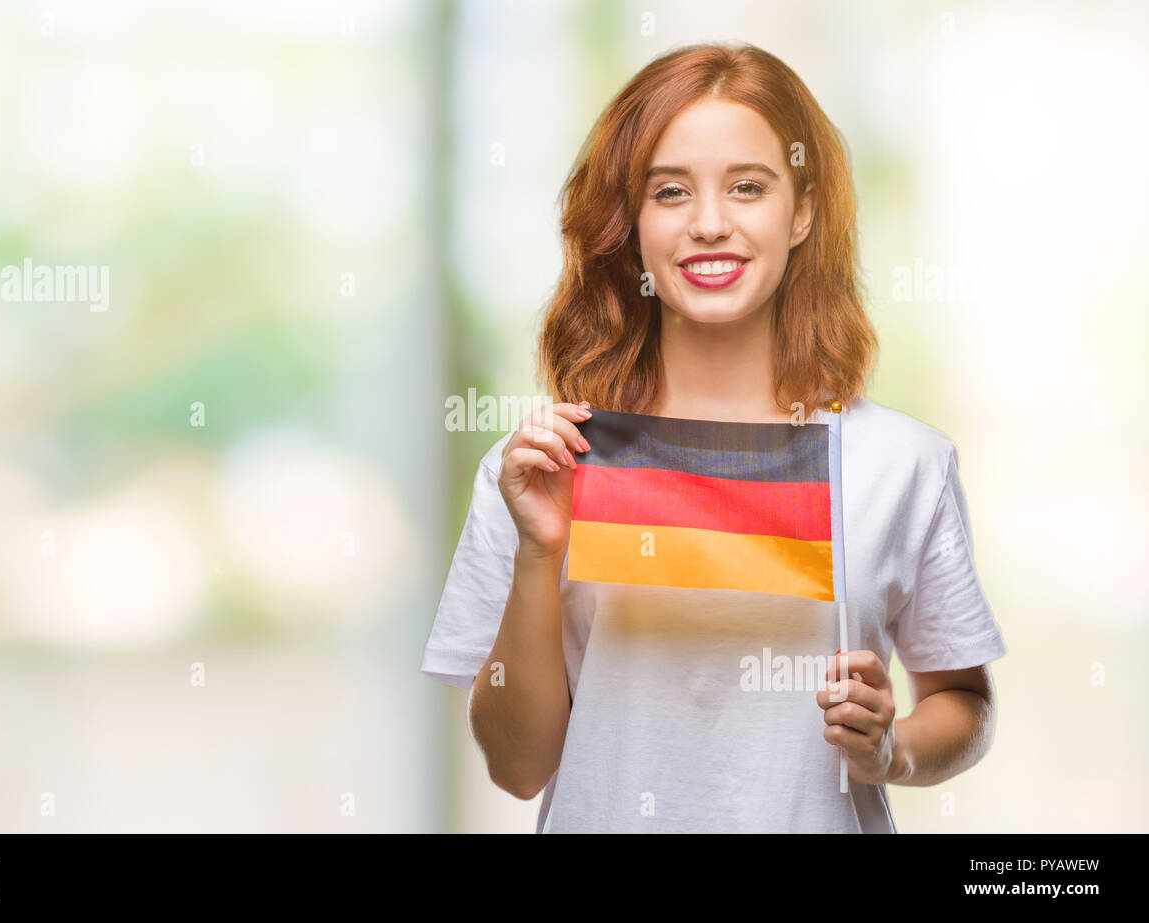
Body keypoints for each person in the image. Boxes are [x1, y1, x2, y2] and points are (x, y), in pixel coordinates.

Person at [419, 41, 1005, 833]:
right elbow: (517, 766)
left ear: (801, 210)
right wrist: (539, 551)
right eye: (670, 192)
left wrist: (888, 747)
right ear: (633, 225)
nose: (708, 224)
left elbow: (963, 701)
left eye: (747, 187)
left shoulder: (902, 465)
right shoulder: (542, 468)